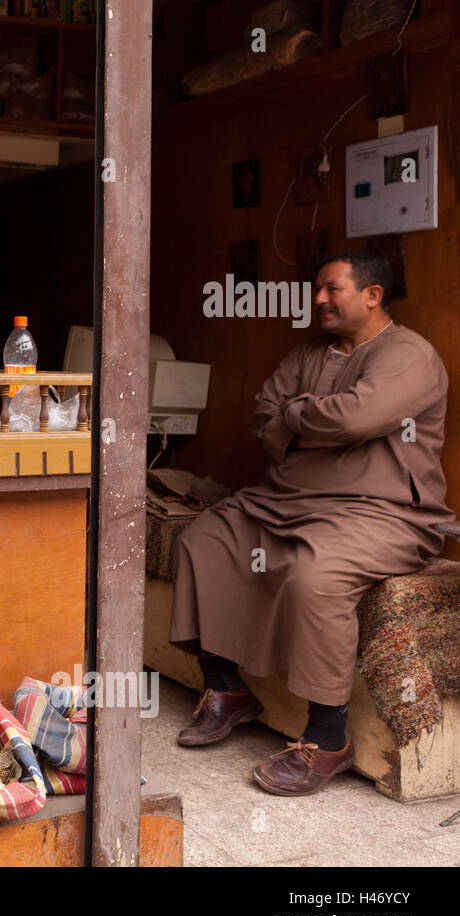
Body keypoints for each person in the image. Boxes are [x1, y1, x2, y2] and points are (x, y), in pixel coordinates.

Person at [169, 250, 452, 795]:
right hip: (288, 500)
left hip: (384, 512)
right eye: (316, 289)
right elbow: (264, 417)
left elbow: (355, 419)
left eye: (332, 289)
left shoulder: (409, 355)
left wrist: (298, 415)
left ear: (372, 295)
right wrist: (317, 425)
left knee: (315, 576)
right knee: (203, 539)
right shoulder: (307, 353)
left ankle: (327, 739)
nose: (318, 299)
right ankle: (227, 690)